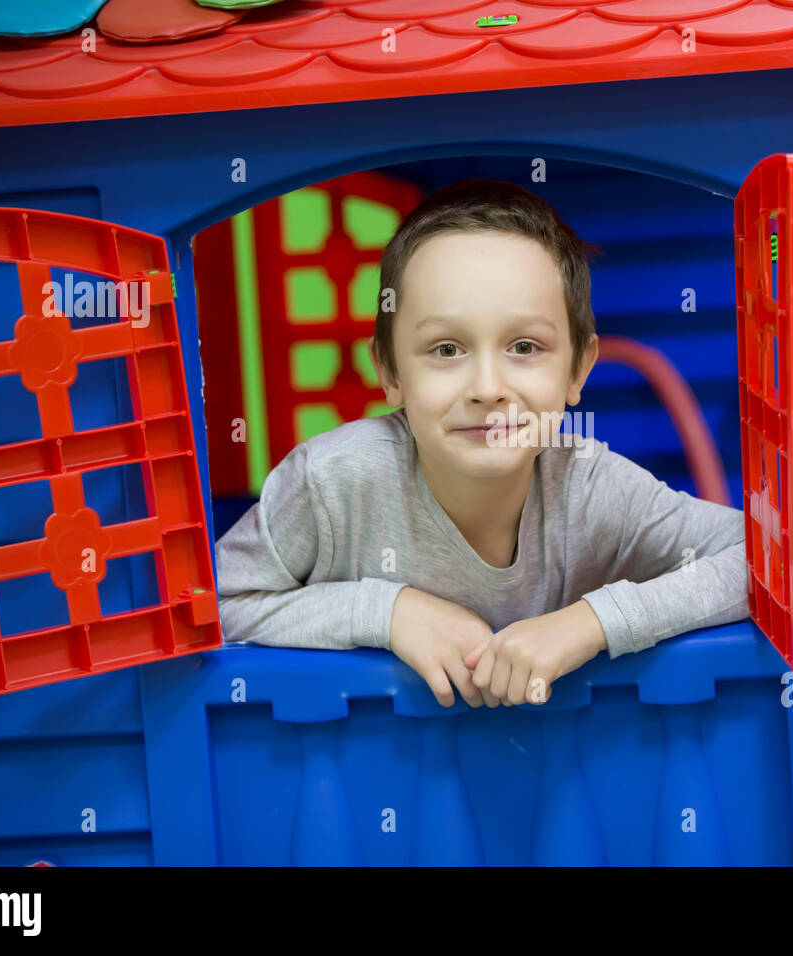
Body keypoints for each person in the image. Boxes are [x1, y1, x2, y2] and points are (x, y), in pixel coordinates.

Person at [214, 178, 749, 709]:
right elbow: (216, 604)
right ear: (390, 371)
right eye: (446, 349)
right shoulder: (332, 481)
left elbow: (765, 558)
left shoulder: (592, 488)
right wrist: (387, 612)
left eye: (524, 346)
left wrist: (590, 623)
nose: (487, 388)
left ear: (577, 369)